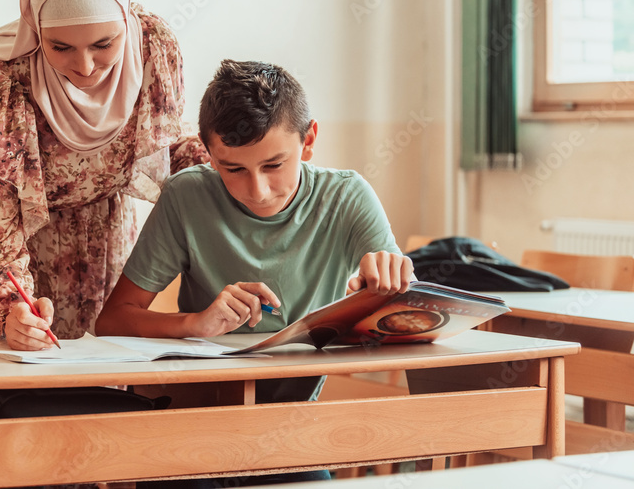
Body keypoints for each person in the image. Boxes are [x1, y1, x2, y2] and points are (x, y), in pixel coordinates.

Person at [96, 60, 414, 486]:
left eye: (274, 165)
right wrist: (195, 323)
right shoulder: (187, 196)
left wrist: (382, 292)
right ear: (209, 154)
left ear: (308, 141)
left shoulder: (347, 197)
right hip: (190, 426)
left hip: (288, 428)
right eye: (233, 169)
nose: (258, 191)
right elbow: (112, 320)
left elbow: (405, 308)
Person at [0, 0, 207, 348]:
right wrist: (9, 311)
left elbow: (166, 140)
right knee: (14, 377)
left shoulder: (152, 49)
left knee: (96, 379)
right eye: (60, 46)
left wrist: (237, 181)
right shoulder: (0, 81)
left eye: (104, 44)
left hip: (100, 245)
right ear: (35, 23)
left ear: (125, 16)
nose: (85, 67)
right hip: (2, 257)